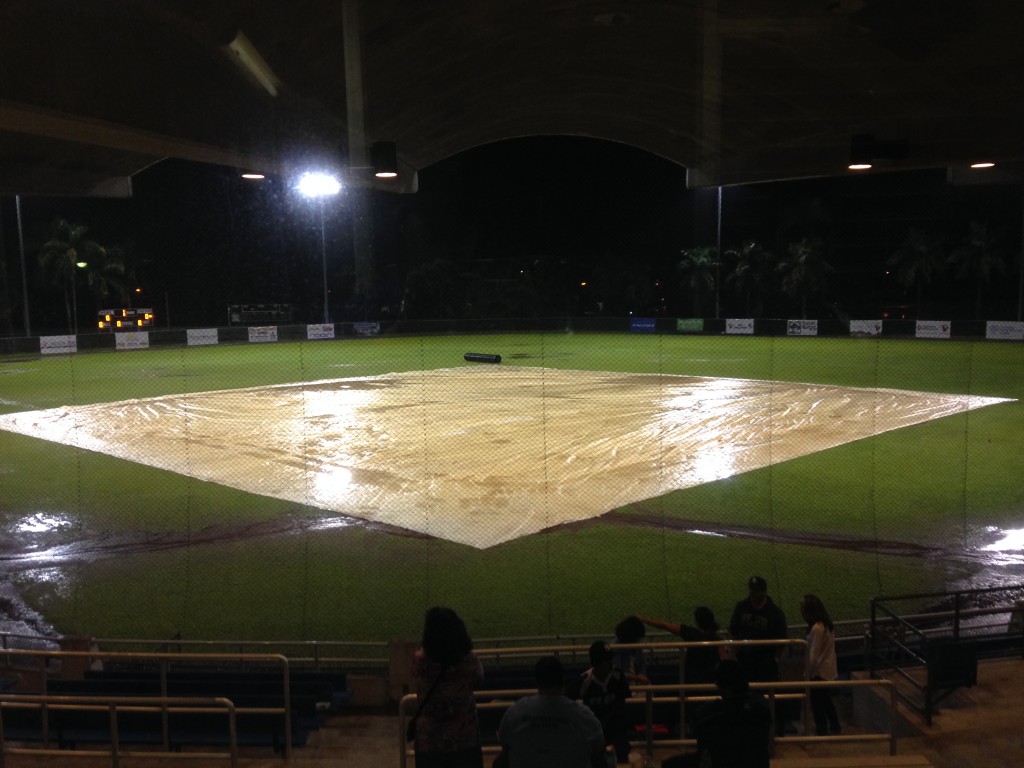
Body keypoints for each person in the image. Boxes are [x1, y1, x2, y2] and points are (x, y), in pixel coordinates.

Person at [498, 655, 608, 768]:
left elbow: (504, 744)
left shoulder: (515, 711)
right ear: (562, 680)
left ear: (536, 680)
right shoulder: (584, 715)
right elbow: (599, 748)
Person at [410, 606, 485, 768]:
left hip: (429, 742)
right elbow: (479, 680)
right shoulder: (469, 661)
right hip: (464, 740)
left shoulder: (420, 661)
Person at [661, 660, 773, 768]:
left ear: (723, 687)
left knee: (669, 764)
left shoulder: (714, 712)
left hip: (721, 763)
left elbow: (695, 726)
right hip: (756, 763)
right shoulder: (761, 705)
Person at [728, 575, 789, 734]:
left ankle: (772, 730)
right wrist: (735, 647)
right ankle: (746, 728)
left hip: (765, 663)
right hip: (745, 662)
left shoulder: (775, 613)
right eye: (751, 590)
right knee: (744, 695)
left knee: (768, 697)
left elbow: (782, 639)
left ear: (763, 592)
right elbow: (732, 629)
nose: (752, 593)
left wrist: (775, 658)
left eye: (755, 591)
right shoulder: (742, 606)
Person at [567, 640, 631, 763]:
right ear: (597, 664)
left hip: (614, 729)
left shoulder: (618, 676)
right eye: (607, 661)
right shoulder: (586, 681)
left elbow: (621, 706)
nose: (611, 663)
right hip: (593, 730)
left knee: (621, 752)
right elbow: (566, 698)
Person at [635, 607, 726, 684]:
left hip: (692, 677)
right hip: (710, 678)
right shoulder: (718, 640)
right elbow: (724, 660)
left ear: (697, 622)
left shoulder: (691, 633)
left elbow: (664, 625)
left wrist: (642, 619)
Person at [800, 593, 841, 736]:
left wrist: (807, 673)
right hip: (828, 669)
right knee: (826, 701)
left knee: (817, 703)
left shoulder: (817, 628)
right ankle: (835, 727)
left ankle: (822, 730)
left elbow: (813, 655)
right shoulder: (826, 625)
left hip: (819, 672)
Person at [613, 615, 650, 685]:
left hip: (637, 685)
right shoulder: (616, 648)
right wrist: (636, 678)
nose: (638, 641)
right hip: (622, 687)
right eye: (637, 639)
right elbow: (615, 674)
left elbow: (643, 663)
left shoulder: (635, 645)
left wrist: (641, 677)